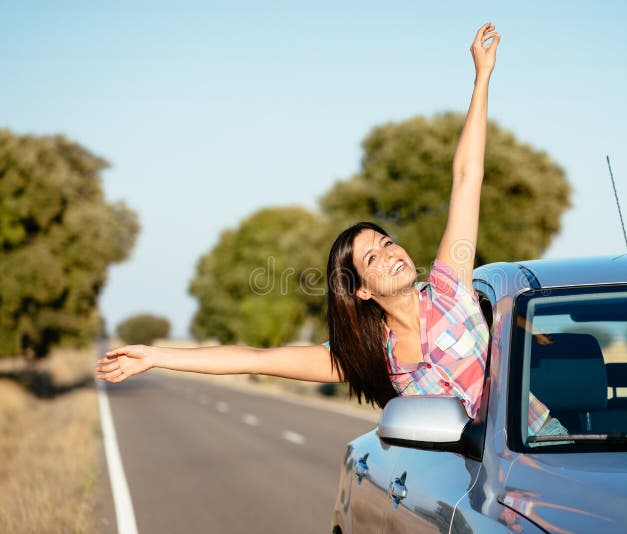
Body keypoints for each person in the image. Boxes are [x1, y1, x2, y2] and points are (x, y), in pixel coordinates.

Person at [96, 23, 564, 437]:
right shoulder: (367, 357)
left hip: (545, 448)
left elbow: (466, 177)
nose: (391, 253)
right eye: (372, 259)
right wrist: (157, 356)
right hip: (462, 487)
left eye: (386, 242)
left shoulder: (450, 290)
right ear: (359, 291)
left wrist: (482, 79)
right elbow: (256, 359)